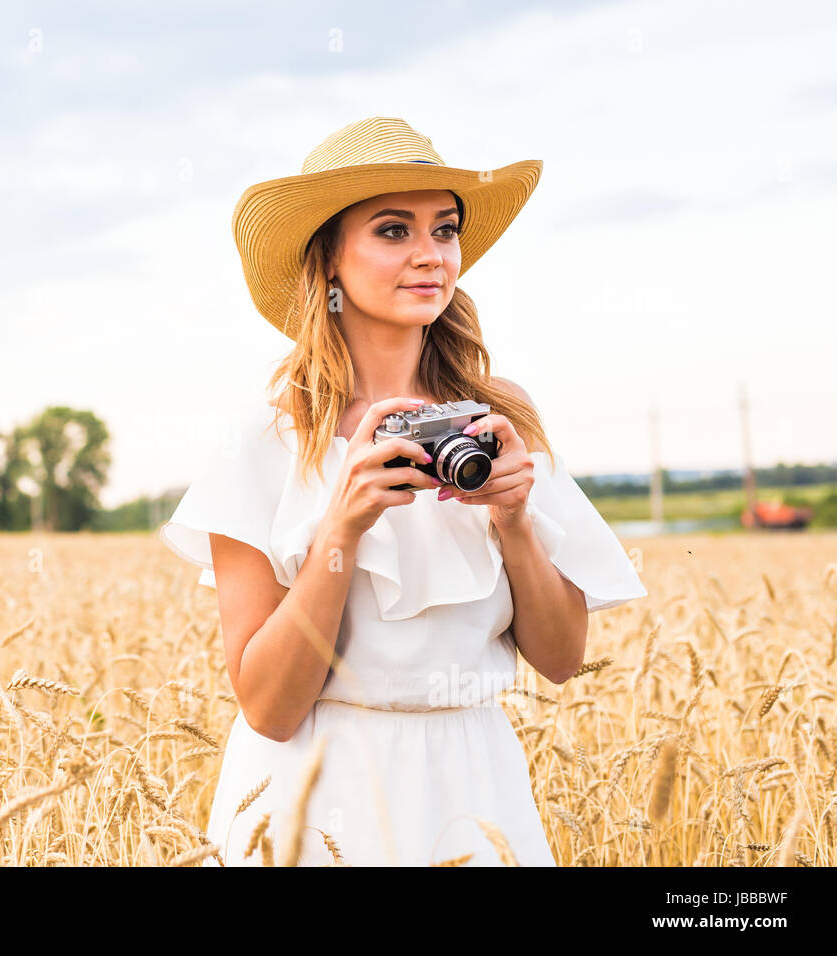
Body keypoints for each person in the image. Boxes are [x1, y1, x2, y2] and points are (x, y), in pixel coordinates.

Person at [159, 117, 648, 866]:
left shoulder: (500, 418)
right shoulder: (266, 443)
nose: (430, 255)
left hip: (477, 791)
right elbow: (269, 707)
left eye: (444, 230)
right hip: (312, 803)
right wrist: (341, 531)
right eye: (393, 231)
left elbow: (560, 658)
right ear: (327, 260)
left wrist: (515, 522)